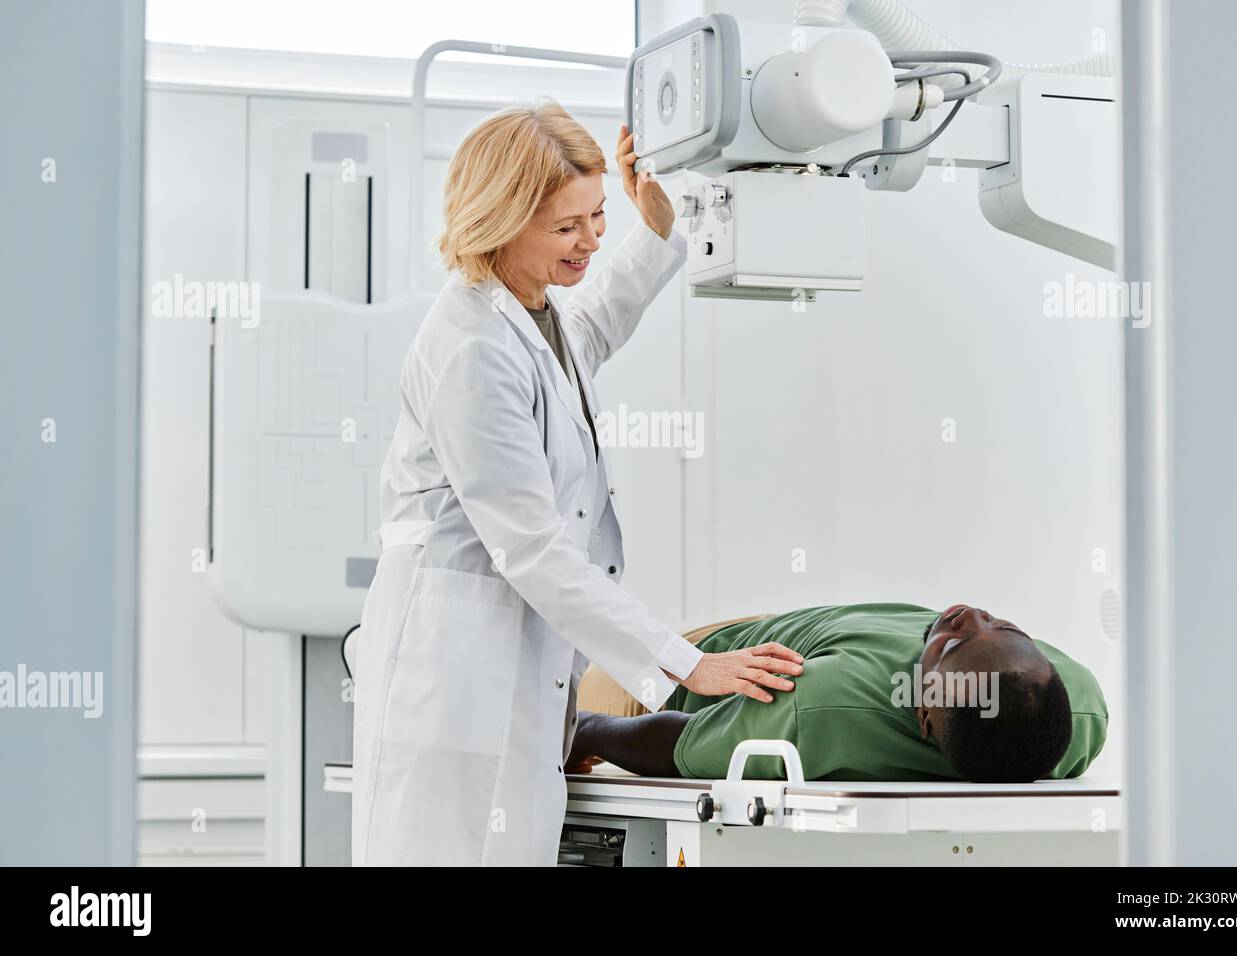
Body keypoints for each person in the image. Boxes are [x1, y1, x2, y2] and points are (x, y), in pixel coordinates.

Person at [350, 100, 803, 866]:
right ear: (500, 221)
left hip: (509, 676)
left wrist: (654, 228)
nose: (591, 239)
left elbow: (591, 326)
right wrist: (688, 664)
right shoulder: (471, 348)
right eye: (567, 226)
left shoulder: (532, 316)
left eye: (597, 216)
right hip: (457, 681)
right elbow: (532, 550)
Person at [569, 603, 1108, 783]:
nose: (968, 614)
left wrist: (583, 728)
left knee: (567, 684)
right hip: (796, 630)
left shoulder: (820, 708)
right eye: (1004, 628)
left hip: (682, 675)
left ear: (924, 714)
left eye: (951, 646)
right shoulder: (1080, 708)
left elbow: (683, 745)